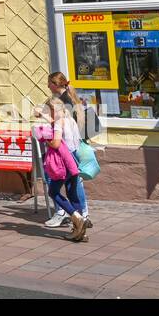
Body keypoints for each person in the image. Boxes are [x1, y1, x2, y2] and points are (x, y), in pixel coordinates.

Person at [43, 72, 92, 229]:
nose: (47, 86)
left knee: (57, 185)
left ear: (55, 84)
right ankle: (81, 215)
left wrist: (46, 137)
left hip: (65, 153)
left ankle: (65, 213)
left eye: (49, 83)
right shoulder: (70, 99)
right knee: (74, 186)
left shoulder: (65, 102)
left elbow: (58, 135)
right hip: (74, 149)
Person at [35, 101, 86, 242]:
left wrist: (46, 140)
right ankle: (80, 232)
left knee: (53, 191)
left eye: (48, 109)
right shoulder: (69, 120)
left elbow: (56, 143)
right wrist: (45, 117)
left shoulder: (58, 122)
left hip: (62, 162)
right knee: (72, 194)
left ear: (53, 110)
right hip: (74, 160)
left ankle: (76, 216)